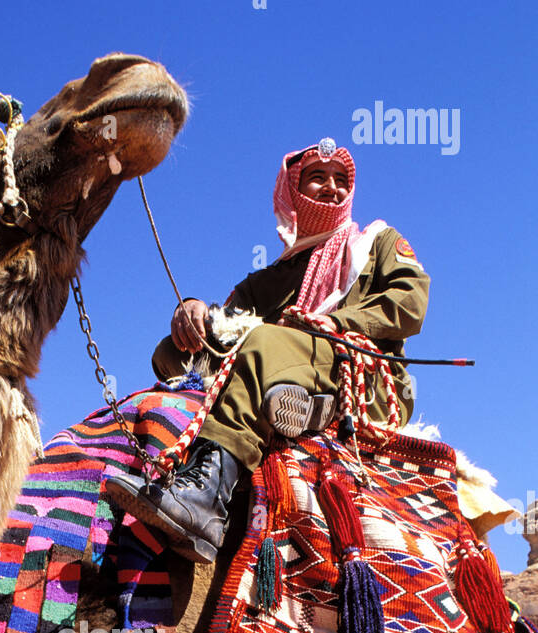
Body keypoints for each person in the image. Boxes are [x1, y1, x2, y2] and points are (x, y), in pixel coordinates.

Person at [105, 138, 431, 562]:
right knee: (173, 352)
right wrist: (192, 311)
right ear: (294, 191)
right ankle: (293, 405)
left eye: (340, 180)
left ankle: (205, 499)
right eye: (318, 179)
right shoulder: (269, 277)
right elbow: (224, 324)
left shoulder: (377, 242)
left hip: (361, 374)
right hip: (284, 360)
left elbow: (411, 302)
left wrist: (334, 322)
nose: (332, 188)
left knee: (262, 343)